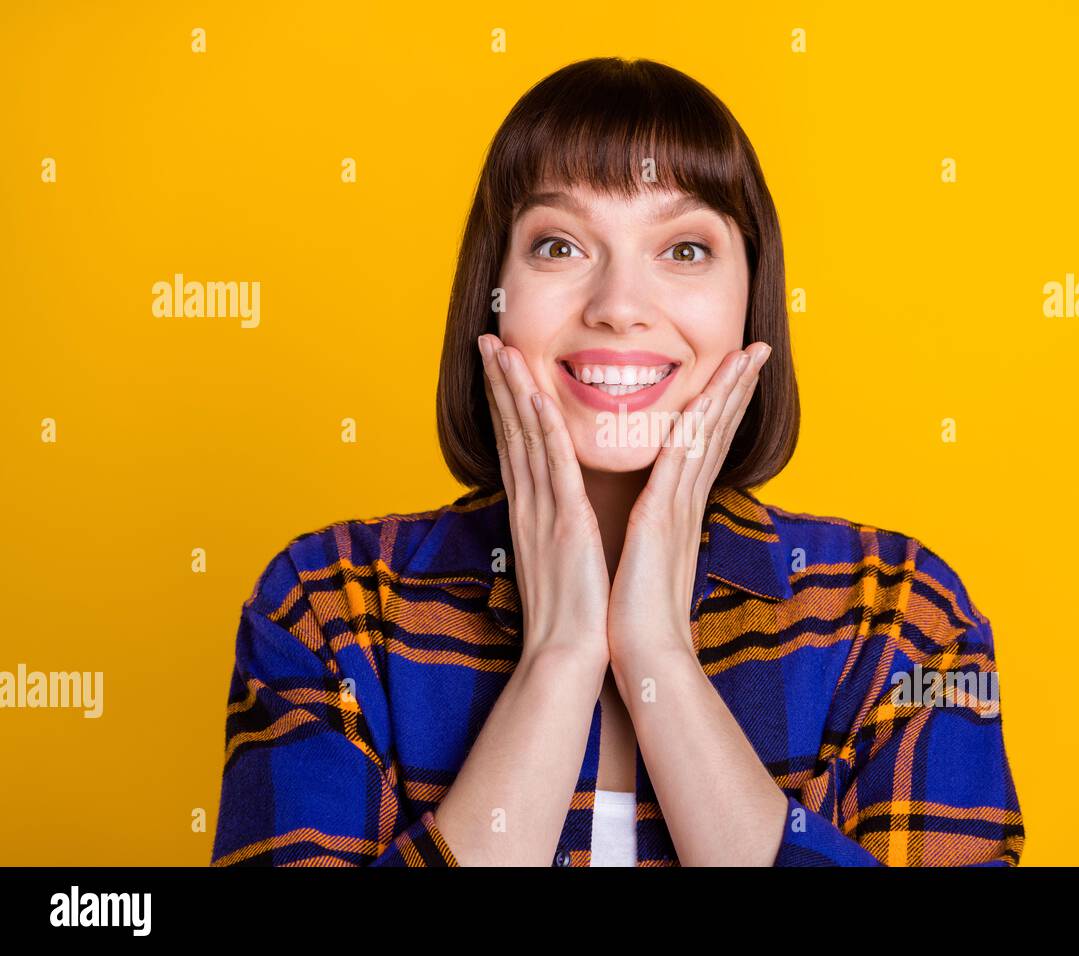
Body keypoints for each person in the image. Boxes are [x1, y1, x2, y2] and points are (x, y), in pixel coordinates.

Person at [210, 56, 1024, 867]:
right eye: (560, 246)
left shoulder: (900, 622)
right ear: (490, 292)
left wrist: (658, 657)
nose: (618, 307)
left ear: (752, 299)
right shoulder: (327, 608)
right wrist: (560, 659)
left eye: (685, 251)